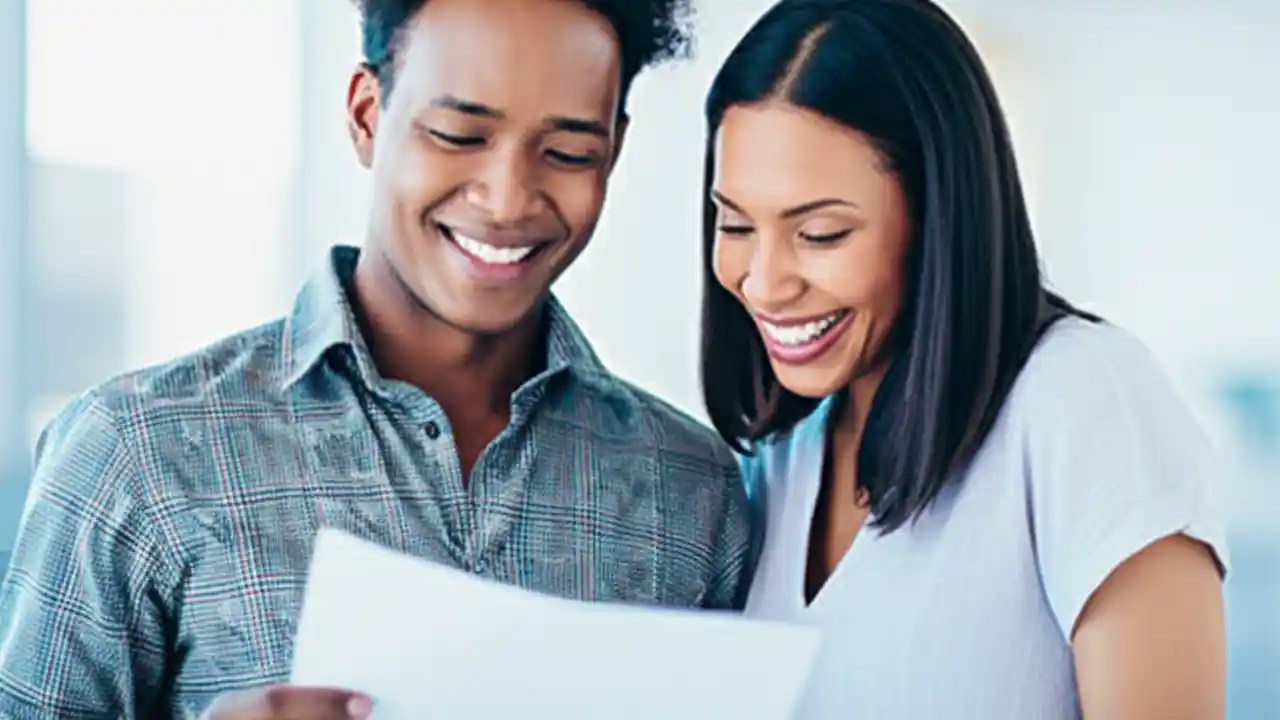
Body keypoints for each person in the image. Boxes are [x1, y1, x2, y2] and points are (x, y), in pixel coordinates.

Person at [0, 0, 752, 717]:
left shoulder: (692, 486)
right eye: (459, 136)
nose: (508, 197)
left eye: (567, 152)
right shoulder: (137, 452)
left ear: (614, 150)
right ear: (367, 114)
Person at [699, 0, 1229, 717]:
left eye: (820, 233)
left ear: (939, 215)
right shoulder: (783, 453)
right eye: (734, 224)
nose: (763, 281)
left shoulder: (1084, 399)